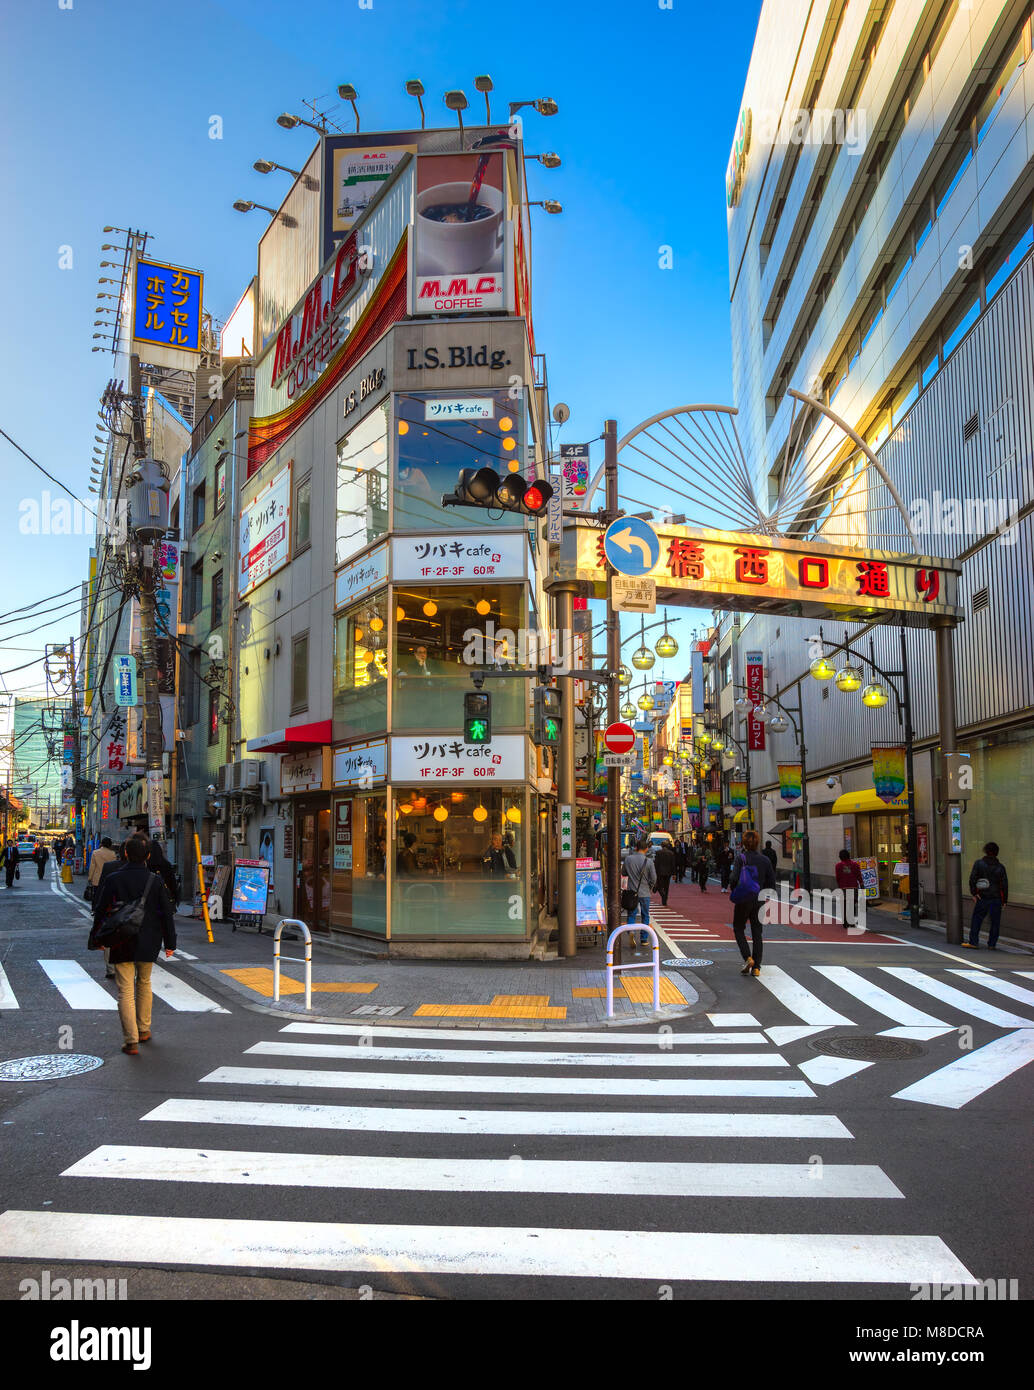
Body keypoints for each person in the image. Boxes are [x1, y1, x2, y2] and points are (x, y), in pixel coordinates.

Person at [90, 836, 176, 1055]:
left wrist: (96, 939)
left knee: (125, 990)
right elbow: (166, 913)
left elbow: (100, 910)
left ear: (125, 853)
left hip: (121, 939)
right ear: (148, 856)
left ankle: (131, 1041)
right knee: (145, 983)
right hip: (149, 940)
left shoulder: (113, 878)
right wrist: (170, 943)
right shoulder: (154, 880)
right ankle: (144, 1029)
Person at [730, 828, 776, 977]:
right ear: (757, 843)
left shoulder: (741, 858)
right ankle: (757, 967)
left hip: (744, 898)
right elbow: (771, 882)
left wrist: (735, 890)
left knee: (738, 928)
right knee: (757, 931)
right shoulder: (765, 860)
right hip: (759, 899)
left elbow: (733, 878)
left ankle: (747, 957)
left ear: (744, 843)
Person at [966, 842, 1008, 950]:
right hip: (996, 898)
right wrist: (1004, 901)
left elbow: (972, 879)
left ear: (985, 851)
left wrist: (974, 893)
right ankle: (992, 944)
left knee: (977, 919)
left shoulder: (979, 864)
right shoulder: (1000, 867)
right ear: (997, 853)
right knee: (995, 922)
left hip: (982, 897)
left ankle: (973, 942)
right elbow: (1004, 885)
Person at [622, 837, 657, 953]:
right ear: (646, 849)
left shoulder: (628, 859)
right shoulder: (649, 861)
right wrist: (649, 887)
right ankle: (644, 939)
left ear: (636, 848)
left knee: (631, 913)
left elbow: (623, 873)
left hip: (632, 891)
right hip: (645, 892)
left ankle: (631, 931)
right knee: (645, 915)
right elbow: (654, 878)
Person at [834, 849, 865, 929]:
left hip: (843, 887)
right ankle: (851, 922)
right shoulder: (855, 865)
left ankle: (845, 922)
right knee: (851, 904)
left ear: (840, 857)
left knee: (843, 904)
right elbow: (859, 876)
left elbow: (838, 877)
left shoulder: (838, 866)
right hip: (853, 887)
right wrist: (861, 885)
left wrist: (840, 884)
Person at [653, 841, 675, 906]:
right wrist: (674, 873)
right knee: (666, 886)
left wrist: (655, 872)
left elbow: (656, 864)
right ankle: (664, 900)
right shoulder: (671, 853)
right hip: (668, 872)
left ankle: (663, 895)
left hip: (660, 872)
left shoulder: (658, 852)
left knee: (659, 886)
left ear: (661, 846)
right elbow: (673, 864)